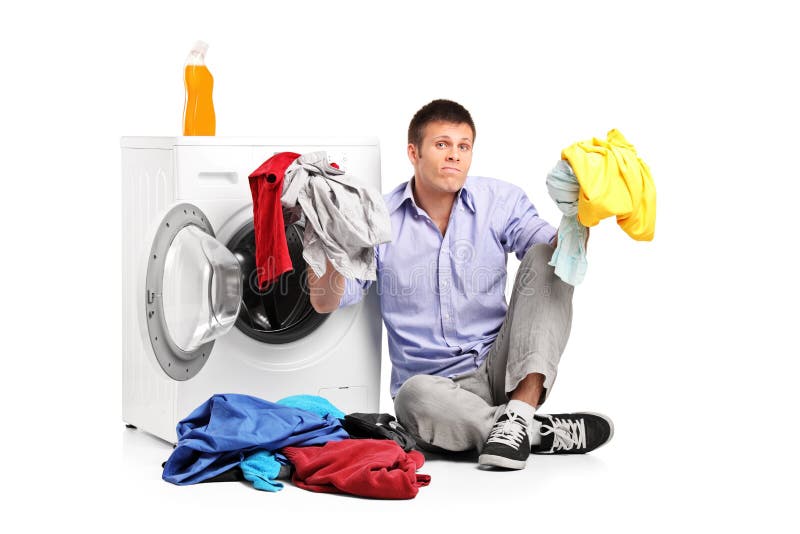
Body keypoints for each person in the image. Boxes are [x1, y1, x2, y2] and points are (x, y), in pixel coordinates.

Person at [308, 99, 612, 470]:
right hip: (435, 394)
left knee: (549, 257)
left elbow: (564, 258)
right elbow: (326, 301)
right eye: (442, 144)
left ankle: (518, 412)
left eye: (463, 146)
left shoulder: (499, 201)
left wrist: (581, 213)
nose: (454, 155)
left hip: (501, 370)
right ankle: (530, 430)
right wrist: (326, 242)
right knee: (411, 396)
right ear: (414, 152)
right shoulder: (377, 220)